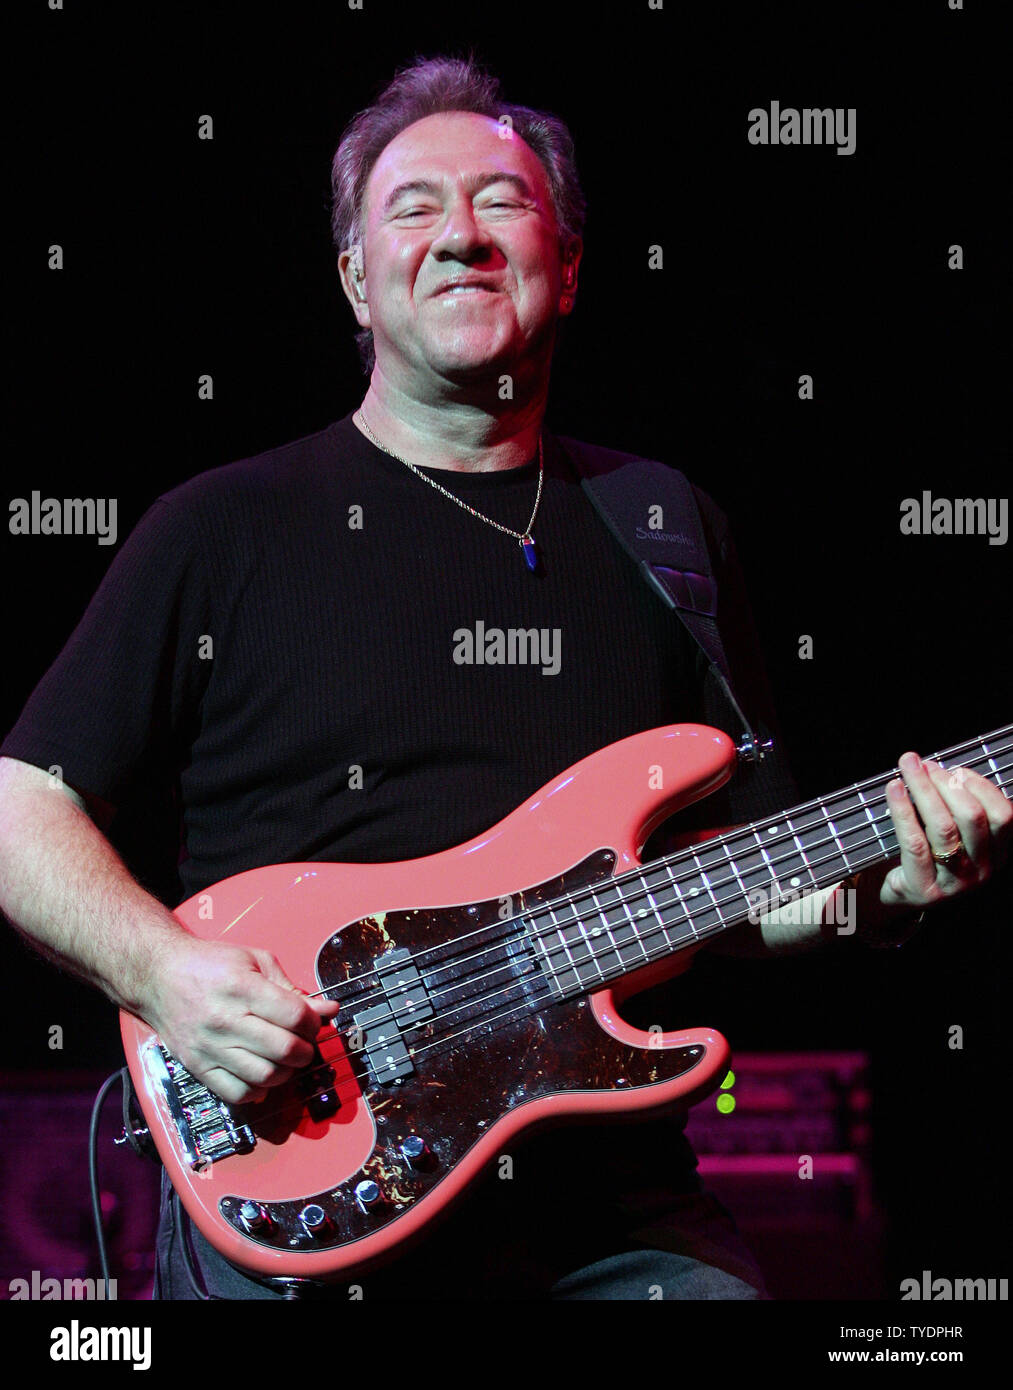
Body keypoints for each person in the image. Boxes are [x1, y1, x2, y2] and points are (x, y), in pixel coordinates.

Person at [0, 56, 1008, 1302]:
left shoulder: (663, 524)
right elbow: (20, 808)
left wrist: (886, 888)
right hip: (307, 1168)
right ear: (355, 281)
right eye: (412, 209)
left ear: (569, 266)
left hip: (610, 1217)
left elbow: (740, 884)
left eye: (503, 203)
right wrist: (160, 972)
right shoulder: (222, 528)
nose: (461, 235)